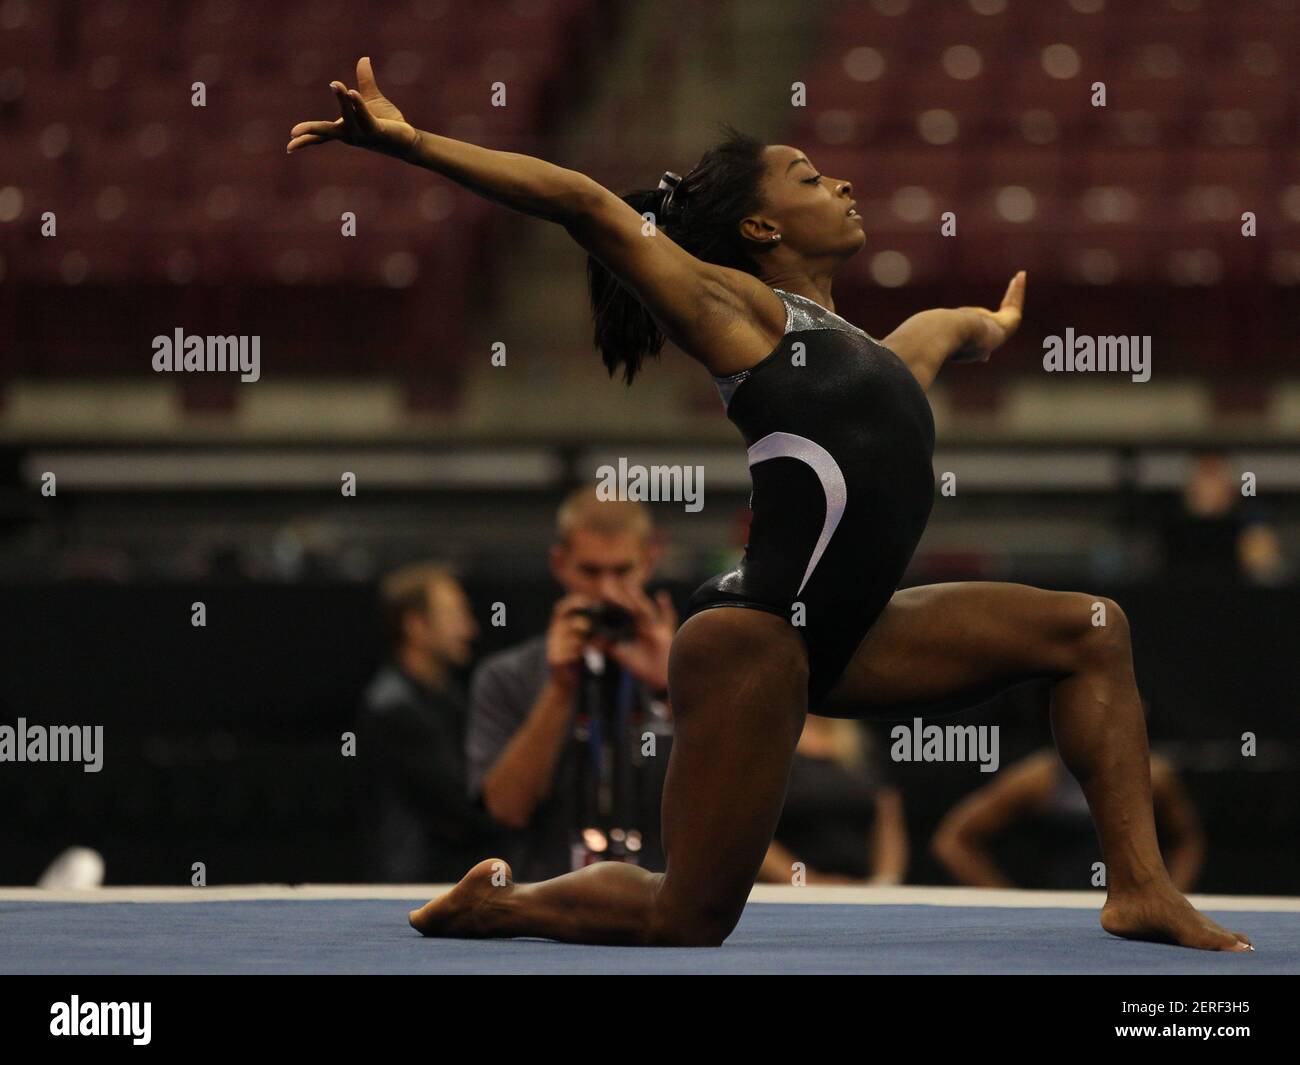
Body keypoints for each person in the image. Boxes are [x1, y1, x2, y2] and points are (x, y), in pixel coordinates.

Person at [289, 58, 1251, 950]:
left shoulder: (878, 356)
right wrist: (412, 144)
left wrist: (991, 326)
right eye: (807, 174)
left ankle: (1139, 885)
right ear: (761, 228)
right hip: (755, 634)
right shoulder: (740, 314)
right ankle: (500, 900)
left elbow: (939, 331)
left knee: (1091, 628)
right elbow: (585, 203)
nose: (838, 182)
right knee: (690, 914)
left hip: (851, 633)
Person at [466, 487, 674, 882]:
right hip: (546, 900)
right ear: (560, 565)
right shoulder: (507, 677)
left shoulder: (688, 673)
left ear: (649, 562)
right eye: (590, 572)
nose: (607, 592)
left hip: (663, 900)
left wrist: (670, 688)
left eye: (622, 571)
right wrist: (560, 688)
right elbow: (507, 810)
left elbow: (729, 802)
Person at [356, 562, 495, 882]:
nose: (470, 629)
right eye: (455, 616)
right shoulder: (394, 707)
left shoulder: (446, 696)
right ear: (416, 625)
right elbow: (464, 810)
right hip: (412, 888)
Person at [932, 748, 1205, 891]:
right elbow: (953, 841)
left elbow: (1186, 841)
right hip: (1058, 906)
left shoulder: (1155, 778)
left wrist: (1172, 896)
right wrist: (1007, 899)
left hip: (1136, 904)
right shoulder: (1038, 779)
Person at [757, 716, 906, 886]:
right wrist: (809, 882)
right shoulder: (764, 742)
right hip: (785, 892)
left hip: (861, 892)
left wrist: (884, 883)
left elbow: (888, 820)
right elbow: (745, 830)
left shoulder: (861, 743)